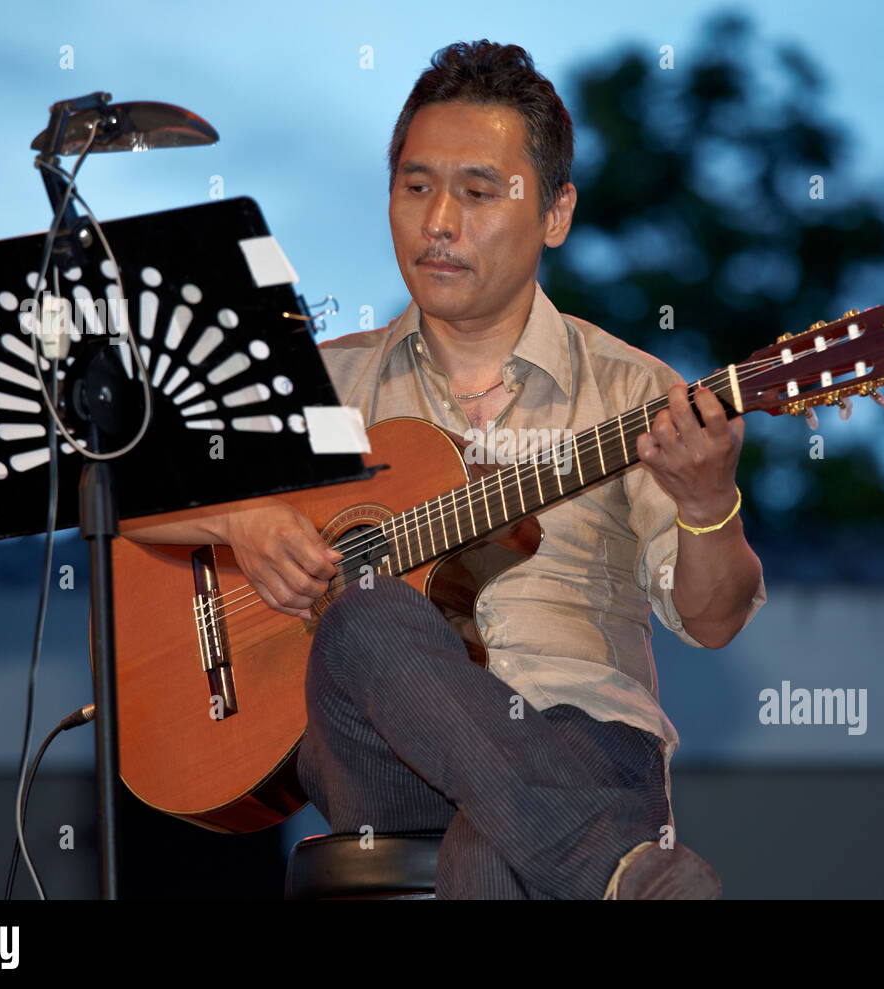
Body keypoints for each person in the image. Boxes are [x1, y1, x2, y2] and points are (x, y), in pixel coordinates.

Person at [124, 39, 766, 899]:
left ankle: (571, 846)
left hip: (583, 735)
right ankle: (614, 869)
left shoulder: (634, 390)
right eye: (416, 187)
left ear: (555, 212)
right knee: (361, 610)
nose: (439, 223)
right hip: (377, 760)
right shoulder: (322, 384)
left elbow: (715, 618)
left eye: (477, 191)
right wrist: (243, 522)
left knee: (489, 851)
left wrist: (708, 502)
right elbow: (127, 486)